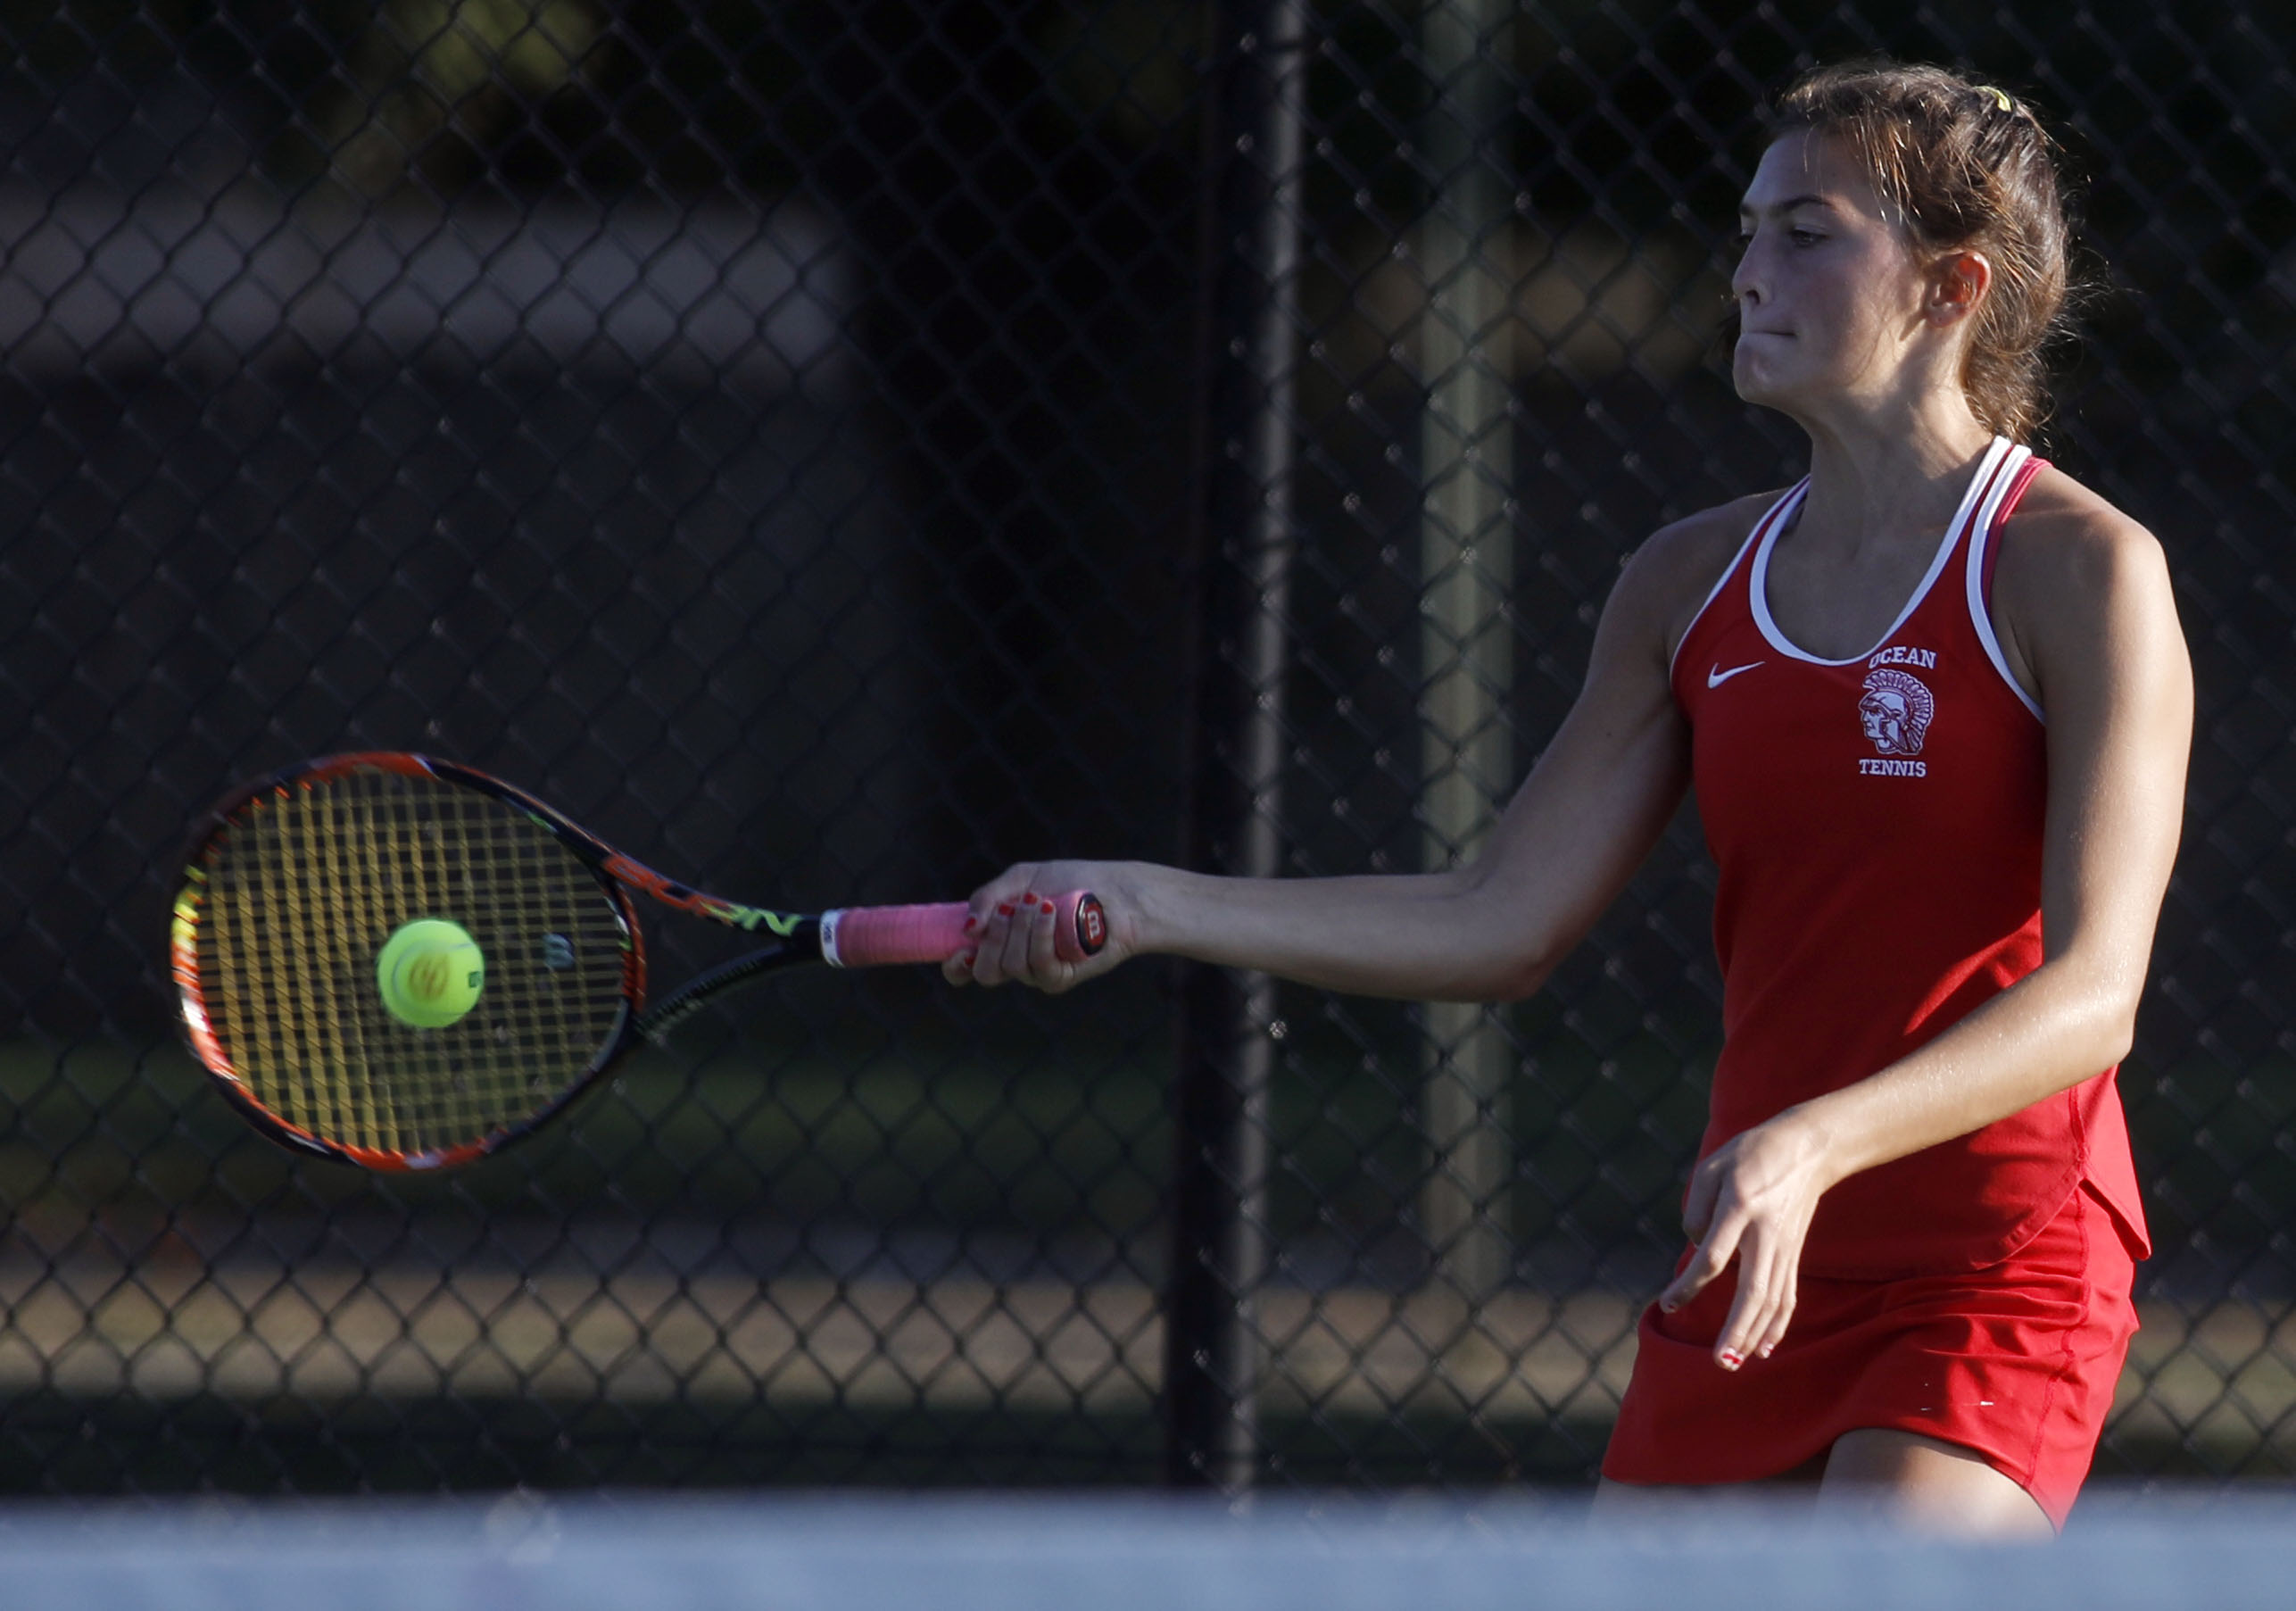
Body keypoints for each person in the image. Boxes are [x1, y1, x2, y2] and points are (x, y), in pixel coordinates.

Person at [944, 59, 2191, 1535]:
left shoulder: (2083, 571)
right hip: (1750, 1269)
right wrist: (1147, 904)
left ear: (1946, 287)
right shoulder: (1685, 581)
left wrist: (1811, 1139)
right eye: (1744, 230)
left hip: (1994, 1263)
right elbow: (1497, 916)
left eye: (1805, 232)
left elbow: (2093, 993)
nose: (1746, 271)